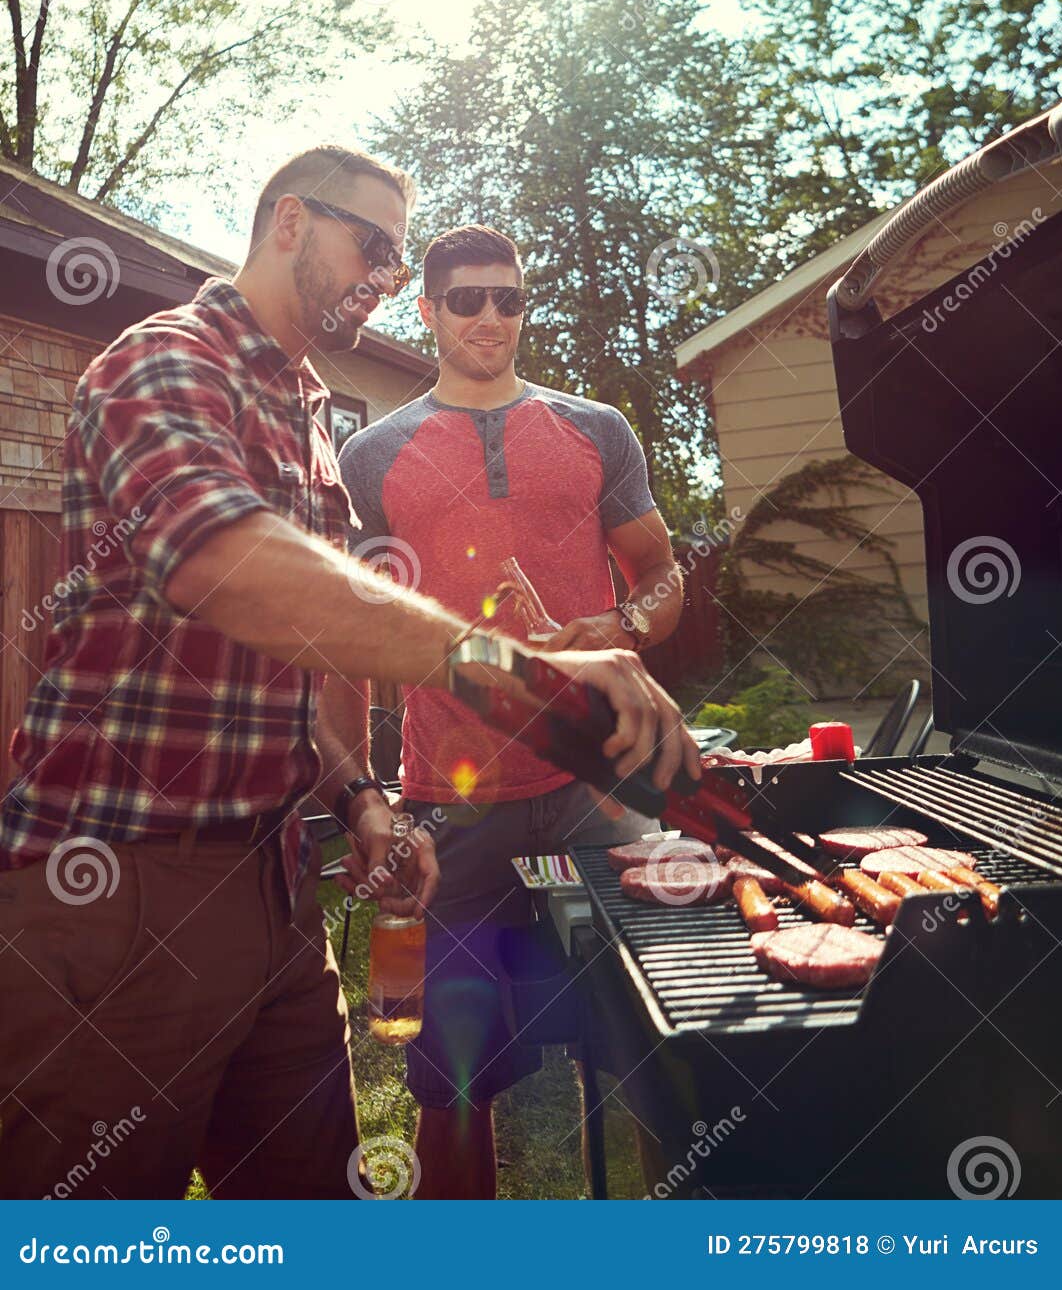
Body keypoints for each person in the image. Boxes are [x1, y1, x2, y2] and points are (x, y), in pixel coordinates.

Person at [0, 153, 692, 1200]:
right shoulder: (169, 360)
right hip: (124, 880)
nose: (382, 269)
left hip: (278, 889)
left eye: (395, 252)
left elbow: (284, 657)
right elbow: (227, 563)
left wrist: (355, 796)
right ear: (289, 220)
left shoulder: (312, 411)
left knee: (312, 1210)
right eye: (370, 243)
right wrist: (513, 675)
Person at [338, 223, 687, 1199]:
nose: (490, 316)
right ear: (430, 310)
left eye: (508, 299)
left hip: (599, 783)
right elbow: (358, 626)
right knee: (450, 1077)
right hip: (452, 801)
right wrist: (370, 795)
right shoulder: (372, 454)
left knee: (649, 1047)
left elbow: (663, 577)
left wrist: (616, 621)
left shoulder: (595, 429)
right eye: (466, 299)